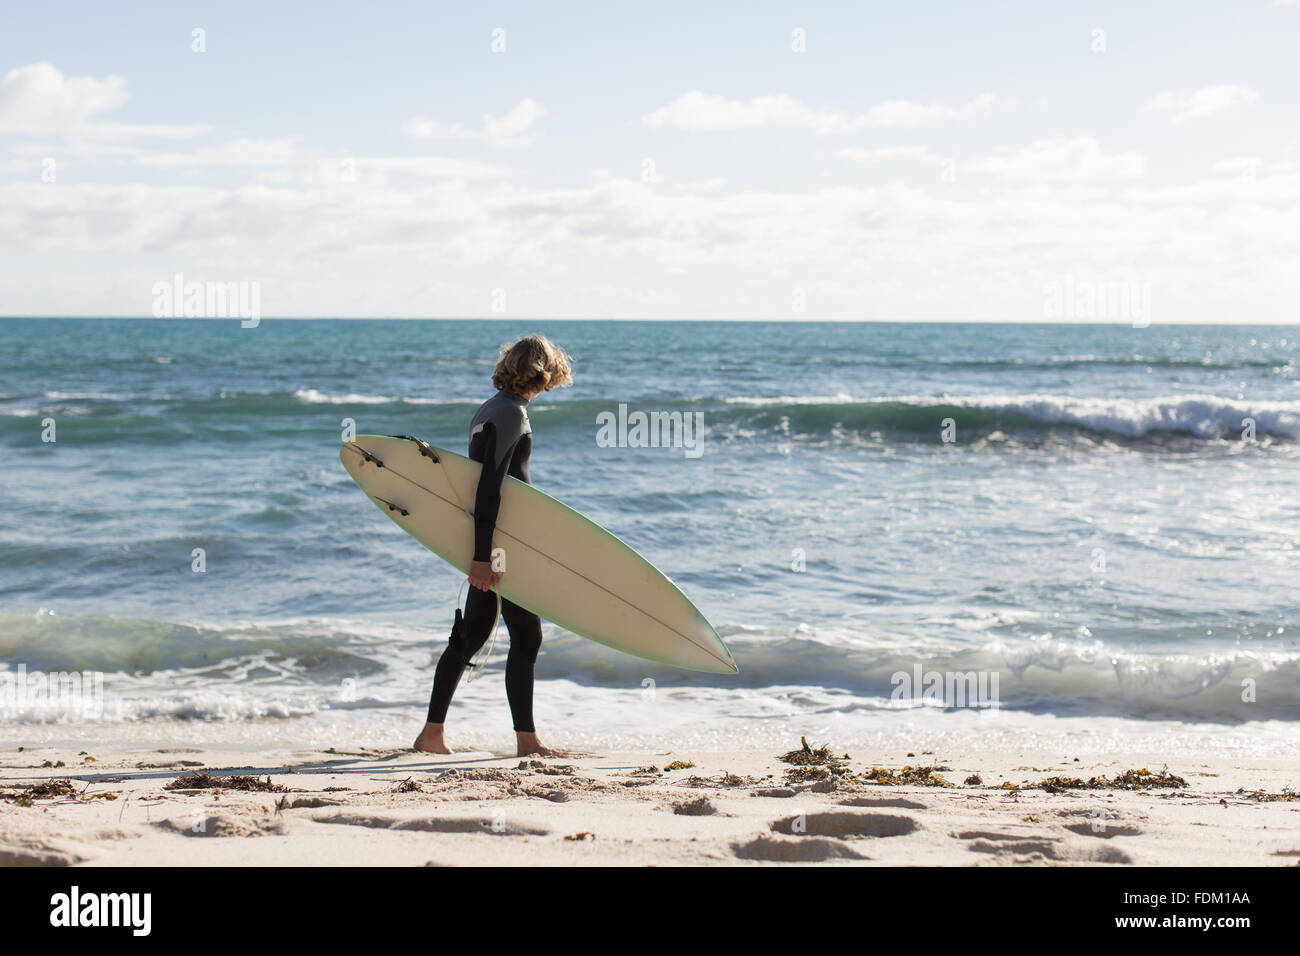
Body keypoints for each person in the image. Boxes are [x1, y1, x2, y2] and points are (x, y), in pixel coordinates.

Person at [414, 334, 573, 757]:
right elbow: (489, 487)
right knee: (524, 635)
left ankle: (432, 734)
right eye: (552, 369)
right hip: (503, 543)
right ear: (541, 372)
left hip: (495, 538)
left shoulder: (493, 408)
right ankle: (526, 742)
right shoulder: (509, 415)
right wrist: (483, 557)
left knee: (474, 634)